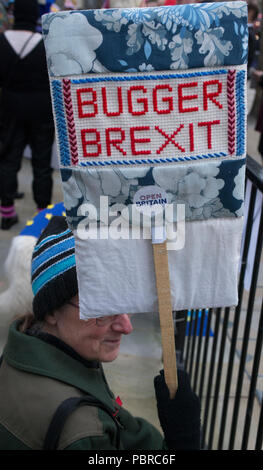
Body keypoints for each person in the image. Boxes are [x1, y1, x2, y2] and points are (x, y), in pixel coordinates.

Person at [0, 216, 201, 450]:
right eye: (103, 310)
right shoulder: (82, 430)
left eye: (127, 304)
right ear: (51, 310)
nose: (126, 327)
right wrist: (185, 440)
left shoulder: (20, 357)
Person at [0, 0, 55, 230]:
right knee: (42, 163)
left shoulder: (2, 42)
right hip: (41, 110)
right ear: (35, 17)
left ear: (15, 15)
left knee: (8, 159)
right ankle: (42, 216)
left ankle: (7, 212)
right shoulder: (45, 44)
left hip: (10, 107)